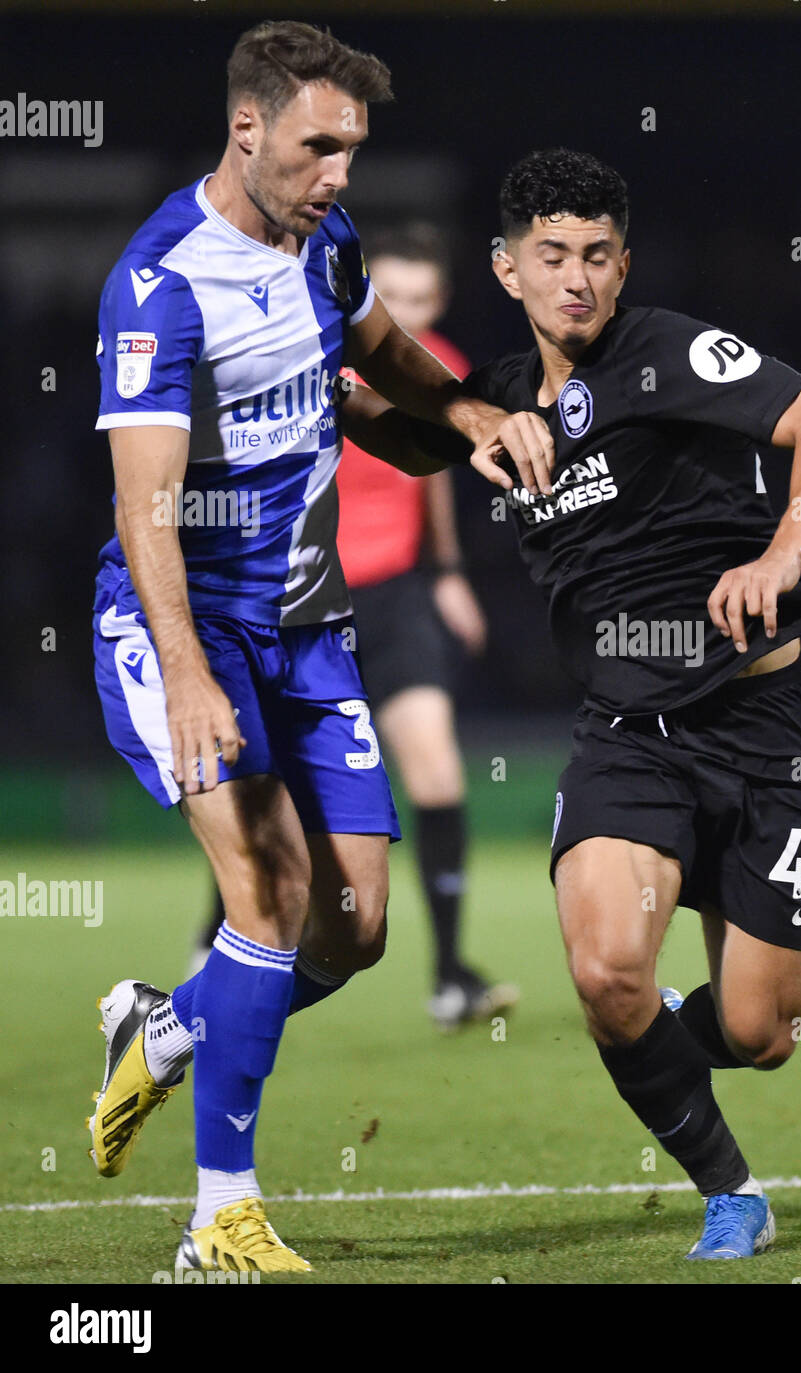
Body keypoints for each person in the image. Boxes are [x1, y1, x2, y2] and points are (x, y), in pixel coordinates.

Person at [86, 21, 551, 1273]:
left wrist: (469, 412)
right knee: (272, 891)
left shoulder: (325, 242)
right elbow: (142, 509)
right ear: (248, 129)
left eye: (352, 147)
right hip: (183, 622)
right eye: (318, 146)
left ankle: (166, 1029)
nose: (341, 172)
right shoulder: (160, 283)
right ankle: (218, 1217)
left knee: (357, 929)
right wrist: (186, 673)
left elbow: (382, 360)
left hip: (308, 629)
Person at [456, 148, 801, 1257]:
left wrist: (780, 555)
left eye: (597, 255)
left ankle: (655, 1038)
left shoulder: (667, 349)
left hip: (761, 728)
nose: (576, 279)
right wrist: (446, 411)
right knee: (604, 971)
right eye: (552, 256)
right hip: (627, 740)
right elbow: (375, 403)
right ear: (508, 270)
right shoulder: (498, 408)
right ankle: (730, 1189)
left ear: (624, 263)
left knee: (763, 1028)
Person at [190, 224, 518, 1029]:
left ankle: (449, 977)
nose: (401, 312)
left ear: (435, 302)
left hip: (399, 593)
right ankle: (218, 944)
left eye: (416, 299)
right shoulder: (312, 351)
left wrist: (448, 577)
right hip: (306, 596)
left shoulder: (432, 372)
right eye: (390, 297)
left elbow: (430, 475)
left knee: (437, 773)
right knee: (267, 782)